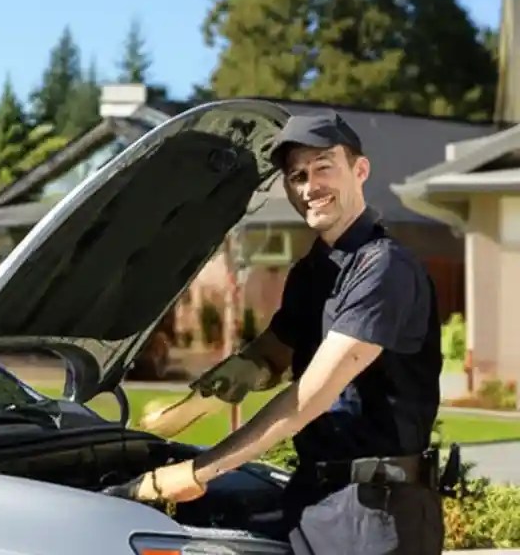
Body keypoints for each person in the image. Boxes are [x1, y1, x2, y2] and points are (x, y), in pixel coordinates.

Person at [125, 110, 445, 554]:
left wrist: (199, 471)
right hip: (313, 501)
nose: (310, 187)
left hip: (376, 510)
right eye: (296, 176)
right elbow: (276, 352)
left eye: (323, 168)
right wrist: (223, 384)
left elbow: (309, 397)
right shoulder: (313, 272)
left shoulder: (383, 268)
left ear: (360, 170)